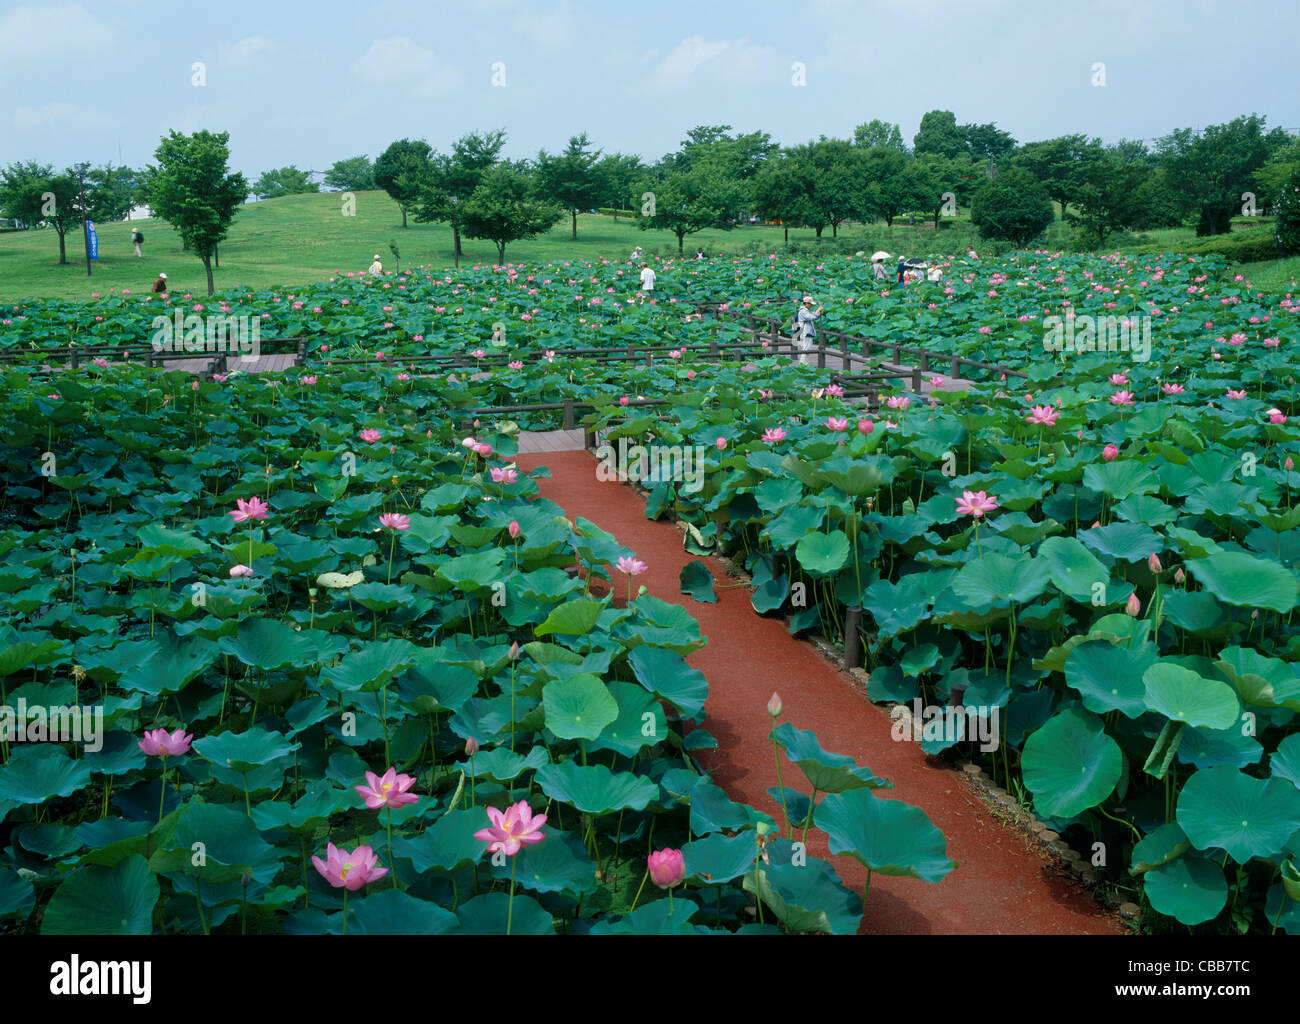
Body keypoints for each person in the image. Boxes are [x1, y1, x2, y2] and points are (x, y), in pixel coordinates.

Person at [794, 295, 822, 365]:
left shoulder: (806, 311)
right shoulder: (803, 311)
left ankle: (804, 364)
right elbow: (811, 317)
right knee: (806, 349)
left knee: (807, 349)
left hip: (807, 332)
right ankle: (803, 364)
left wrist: (818, 313)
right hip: (805, 332)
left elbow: (813, 316)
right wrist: (817, 312)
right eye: (810, 304)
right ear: (806, 303)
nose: (811, 306)